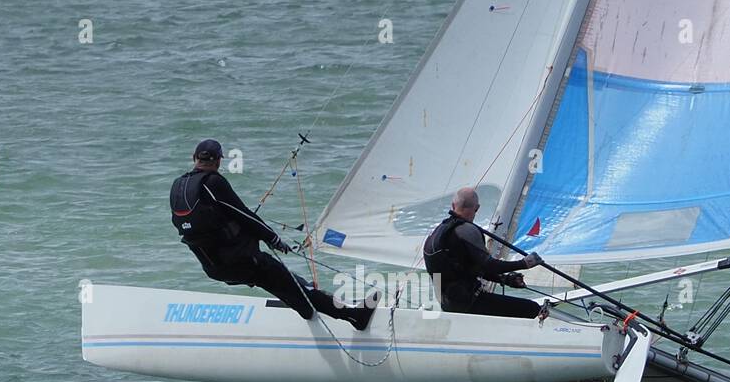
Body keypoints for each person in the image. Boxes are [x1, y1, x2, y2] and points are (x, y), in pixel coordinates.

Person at [171, 139, 376, 329]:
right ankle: (354, 316)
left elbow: (190, 225)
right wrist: (273, 238)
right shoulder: (213, 183)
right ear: (218, 161)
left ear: (194, 158)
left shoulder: (178, 186)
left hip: (213, 267)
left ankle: (306, 309)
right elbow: (245, 215)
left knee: (277, 279)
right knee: (289, 282)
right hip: (241, 261)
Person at [423, 187, 544, 318]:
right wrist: (524, 263)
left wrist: (504, 279)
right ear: (477, 208)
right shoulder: (467, 231)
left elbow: (471, 268)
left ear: (453, 205)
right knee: (533, 309)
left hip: (447, 304)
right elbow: (490, 265)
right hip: (469, 303)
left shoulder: (436, 233)